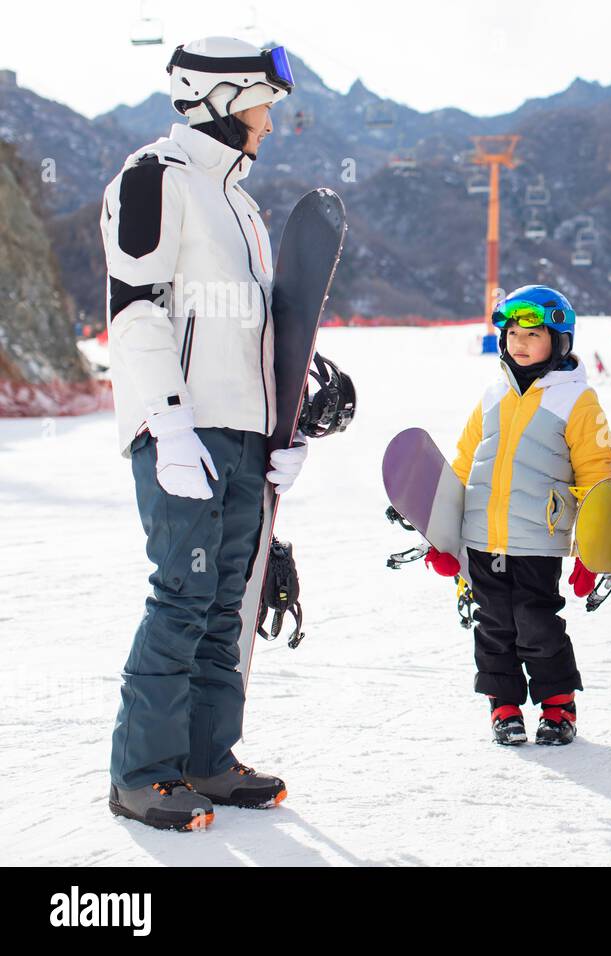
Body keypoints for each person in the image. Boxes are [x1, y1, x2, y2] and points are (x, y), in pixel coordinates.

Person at [103, 37, 300, 832]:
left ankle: (208, 759)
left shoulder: (243, 205)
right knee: (182, 597)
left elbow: (252, 327)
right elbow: (136, 307)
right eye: (263, 107)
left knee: (229, 603)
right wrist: (167, 420)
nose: (269, 125)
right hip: (182, 428)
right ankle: (142, 774)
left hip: (243, 433)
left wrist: (286, 420)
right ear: (221, 98)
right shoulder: (156, 177)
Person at [429, 285, 611, 746]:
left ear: (560, 338)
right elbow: (463, 463)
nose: (518, 341)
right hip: (482, 538)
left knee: (537, 624)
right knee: (493, 626)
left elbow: (596, 474)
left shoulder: (577, 399)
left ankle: (558, 706)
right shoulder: (492, 394)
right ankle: (503, 706)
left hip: (538, 540)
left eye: (532, 333)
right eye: (511, 332)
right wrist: (443, 535)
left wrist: (593, 549)